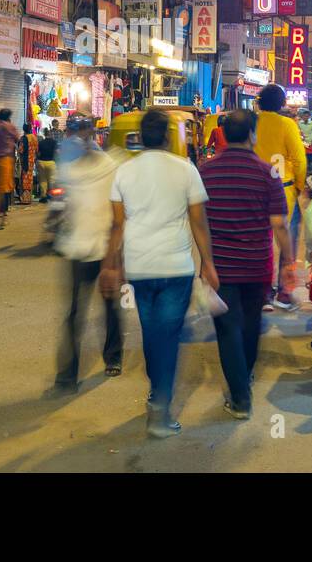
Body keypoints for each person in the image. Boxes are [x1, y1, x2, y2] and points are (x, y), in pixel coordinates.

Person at [100, 109, 217, 438]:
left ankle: (156, 395)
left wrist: (110, 265)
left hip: (140, 267)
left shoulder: (125, 172)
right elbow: (198, 221)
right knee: (167, 336)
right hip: (176, 267)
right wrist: (208, 262)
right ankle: (160, 409)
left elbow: (117, 225)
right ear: (167, 136)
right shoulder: (185, 169)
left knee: (154, 335)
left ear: (140, 136)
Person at [199, 109, 293, 419]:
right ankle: (245, 378)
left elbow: (198, 222)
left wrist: (204, 263)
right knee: (251, 325)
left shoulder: (206, 171)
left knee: (227, 329)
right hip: (257, 266)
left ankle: (240, 397)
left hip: (220, 267)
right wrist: (288, 261)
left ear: (223, 135)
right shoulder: (268, 173)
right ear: (253, 134)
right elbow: (279, 224)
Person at [53, 129, 124, 391]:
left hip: (105, 247)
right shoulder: (72, 171)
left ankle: (113, 356)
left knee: (110, 307)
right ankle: (67, 374)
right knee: (76, 313)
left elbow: (119, 215)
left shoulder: (111, 168)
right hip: (80, 249)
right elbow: (64, 207)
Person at [252, 84, 308, 311]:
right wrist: (299, 187)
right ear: (283, 103)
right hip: (283, 191)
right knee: (288, 242)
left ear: (259, 102)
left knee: (260, 242)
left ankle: (263, 292)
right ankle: (284, 292)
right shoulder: (287, 124)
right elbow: (299, 160)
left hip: (255, 190)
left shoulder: (253, 123)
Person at [36, 127, 58, 202]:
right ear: (50, 134)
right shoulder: (54, 142)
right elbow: (57, 152)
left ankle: (43, 196)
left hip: (41, 162)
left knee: (43, 180)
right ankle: (52, 195)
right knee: (52, 180)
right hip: (51, 162)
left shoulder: (41, 142)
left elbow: (38, 153)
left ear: (44, 135)